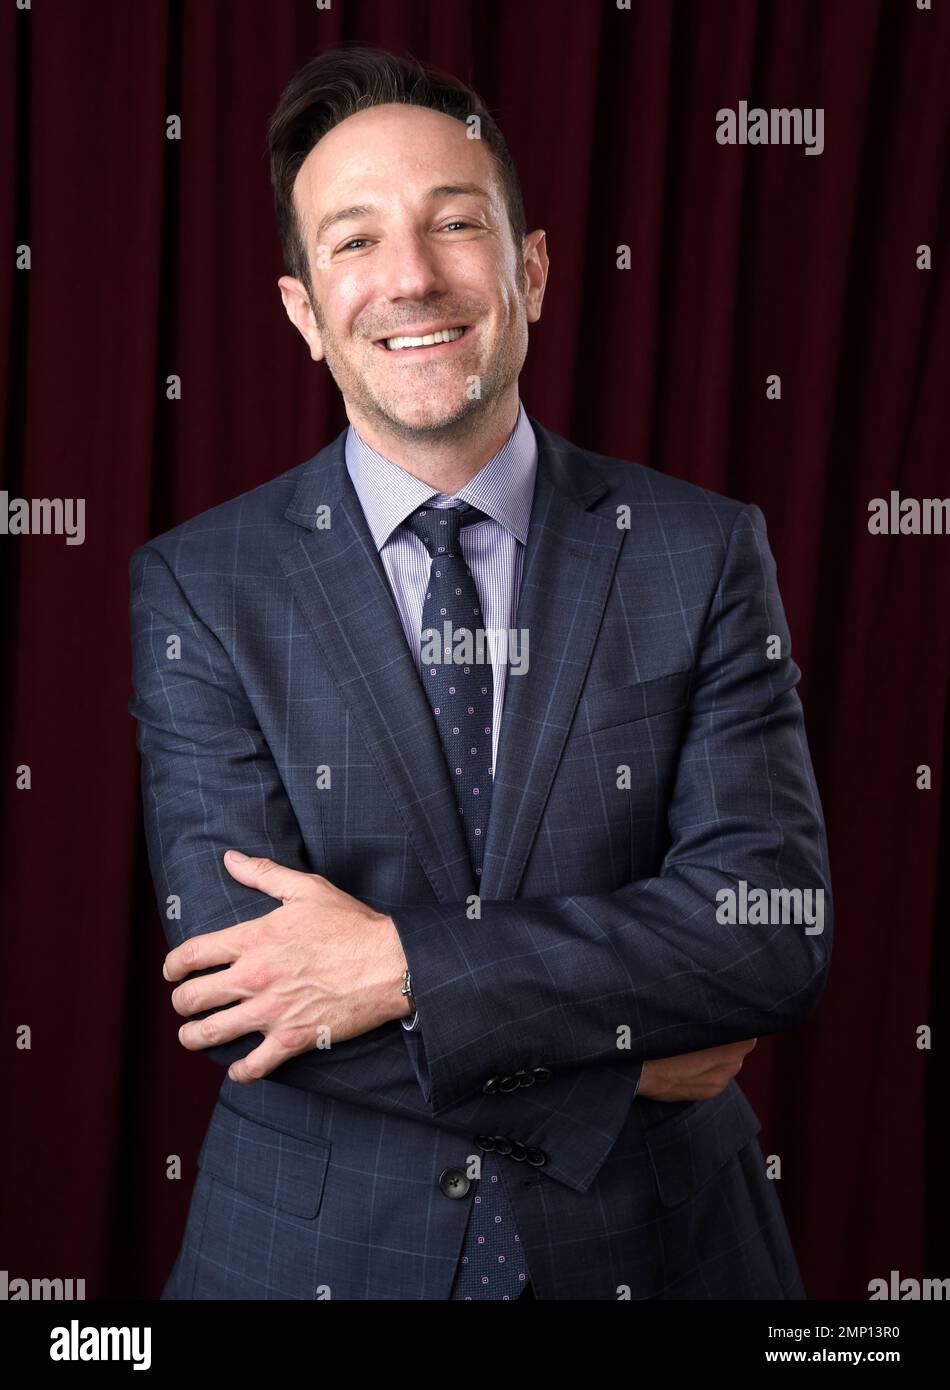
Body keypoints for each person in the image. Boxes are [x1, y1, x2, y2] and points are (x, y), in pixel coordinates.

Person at [129, 45, 833, 1301]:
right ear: (303, 312)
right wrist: (612, 1071)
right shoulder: (199, 585)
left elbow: (766, 930)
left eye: (454, 223)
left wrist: (398, 968)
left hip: (664, 1249)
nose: (411, 276)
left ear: (532, 271)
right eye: (355, 241)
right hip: (311, 1255)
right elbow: (249, 990)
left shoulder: (699, 550)